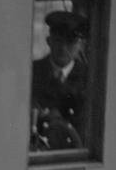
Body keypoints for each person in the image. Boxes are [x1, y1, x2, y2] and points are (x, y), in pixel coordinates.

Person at [30, 10, 89, 151]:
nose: (63, 48)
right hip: (37, 155)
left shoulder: (91, 78)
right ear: (49, 41)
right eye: (58, 41)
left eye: (70, 42)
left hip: (76, 157)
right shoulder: (32, 72)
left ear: (80, 45)